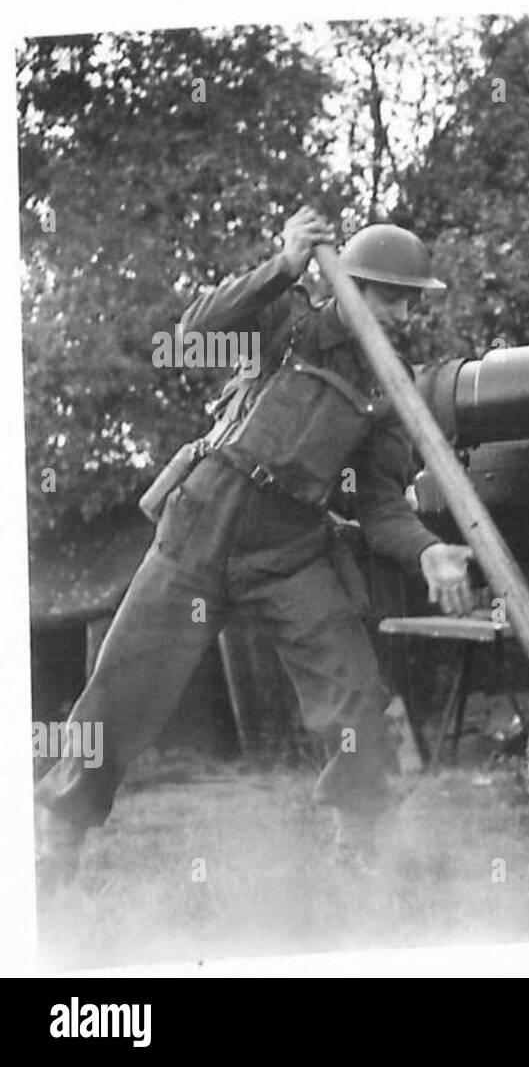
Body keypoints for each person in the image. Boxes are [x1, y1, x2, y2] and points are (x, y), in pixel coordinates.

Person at [34, 208, 474, 887]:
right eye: (390, 295)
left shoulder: (391, 387)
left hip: (290, 551)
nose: (403, 313)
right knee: (120, 692)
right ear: (345, 285)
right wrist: (282, 265)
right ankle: (56, 847)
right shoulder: (285, 321)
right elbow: (192, 333)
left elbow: (382, 504)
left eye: (411, 301)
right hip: (201, 527)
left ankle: (359, 845)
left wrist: (426, 552)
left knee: (353, 689)